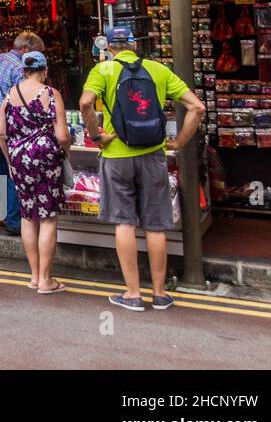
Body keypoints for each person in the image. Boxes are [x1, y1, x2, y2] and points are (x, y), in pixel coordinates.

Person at [80, 27, 205, 312]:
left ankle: (133, 294)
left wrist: (96, 134)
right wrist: (178, 143)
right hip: (153, 155)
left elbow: (86, 102)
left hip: (116, 156)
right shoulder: (158, 70)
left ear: (109, 47)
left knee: (124, 222)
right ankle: (160, 294)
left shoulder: (103, 70)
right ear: (135, 44)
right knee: (155, 224)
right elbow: (196, 107)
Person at [0, 51, 70, 294]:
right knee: (47, 216)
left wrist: (10, 159)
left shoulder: (10, 94)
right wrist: (65, 149)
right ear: (45, 70)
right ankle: (47, 281)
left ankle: (35, 276)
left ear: (24, 70)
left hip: (19, 158)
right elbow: (61, 136)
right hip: (45, 157)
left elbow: (0, 132)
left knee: (29, 215)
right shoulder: (50, 94)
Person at [0, 31, 45, 235]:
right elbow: (25, 99)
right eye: (36, 53)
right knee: (16, 169)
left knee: (5, 168)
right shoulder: (20, 68)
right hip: (10, 121)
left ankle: (6, 213)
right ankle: (14, 220)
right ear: (25, 49)